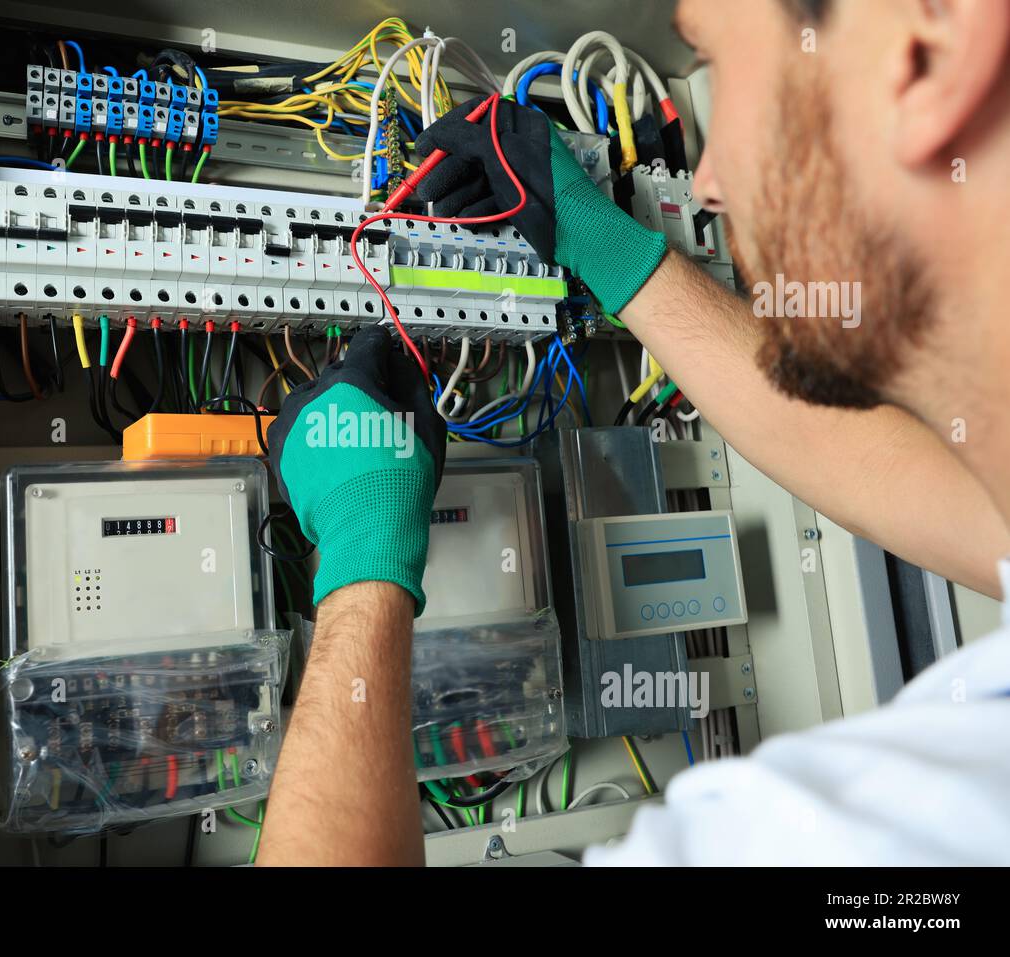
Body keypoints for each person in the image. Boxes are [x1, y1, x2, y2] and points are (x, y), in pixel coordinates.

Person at [255, 0, 1010, 865]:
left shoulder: (869, 837)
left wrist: (362, 550)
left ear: (932, 45)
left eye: (726, 68)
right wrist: (606, 245)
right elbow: (882, 466)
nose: (710, 181)